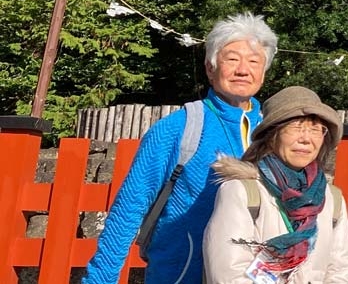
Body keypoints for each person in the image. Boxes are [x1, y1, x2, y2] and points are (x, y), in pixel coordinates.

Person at [86, 14, 277, 284]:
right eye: (232, 59)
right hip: (180, 274)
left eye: (254, 61)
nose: (243, 70)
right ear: (210, 68)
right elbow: (128, 210)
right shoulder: (179, 128)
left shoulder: (275, 134)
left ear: (264, 72)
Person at [203, 86, 348, 283]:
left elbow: (342, 267)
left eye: (316, 129)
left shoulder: (332, 199)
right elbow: (229, 273)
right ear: (272, 135)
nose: (306, 139)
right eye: (296, 127)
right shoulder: (243, 191)